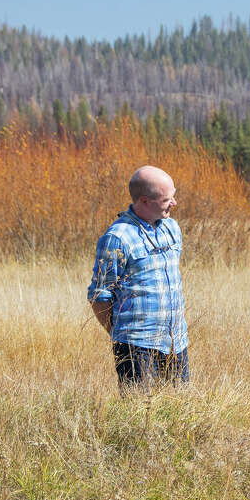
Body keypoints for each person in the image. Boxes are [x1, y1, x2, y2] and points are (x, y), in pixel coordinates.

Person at [88, 165, 189, 391]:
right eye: (167, 200)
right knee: (140, 409)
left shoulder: (172, 228)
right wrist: (122, 335)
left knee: (180, 407)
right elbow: (99, 296)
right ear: (144, 201)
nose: (174, 203)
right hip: (136, 348)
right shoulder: (117, 238)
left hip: (176, 342)